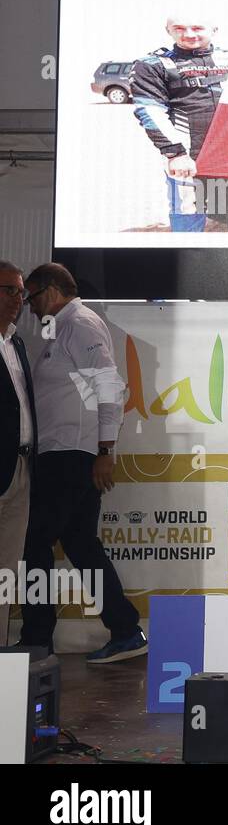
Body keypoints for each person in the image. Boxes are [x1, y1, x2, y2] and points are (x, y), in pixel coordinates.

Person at [18, 263, 145, 663]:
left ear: (52, 291)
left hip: (71, 456)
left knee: (34, 542)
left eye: (31, 298)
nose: (29, 308)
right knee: (80, 545)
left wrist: (105, 451)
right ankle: (125, 630)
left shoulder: (80, 325)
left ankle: (36, 639)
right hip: (63, 454)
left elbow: (109, 388)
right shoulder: (60, 330)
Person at [130, 15, 228, 232]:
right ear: (168, 31)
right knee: (188, 213)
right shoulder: (152, 64)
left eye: (197, 28)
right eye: (179, 28)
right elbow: (150, 111)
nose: (189, 34)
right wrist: (175, 154)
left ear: (214, 29)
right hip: (188, 155)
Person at [0, 261, 36, 645]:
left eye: (21, 292)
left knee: (6, 571)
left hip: (21, 468)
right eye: (9, 290)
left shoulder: (16, 344)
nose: (18, 299)